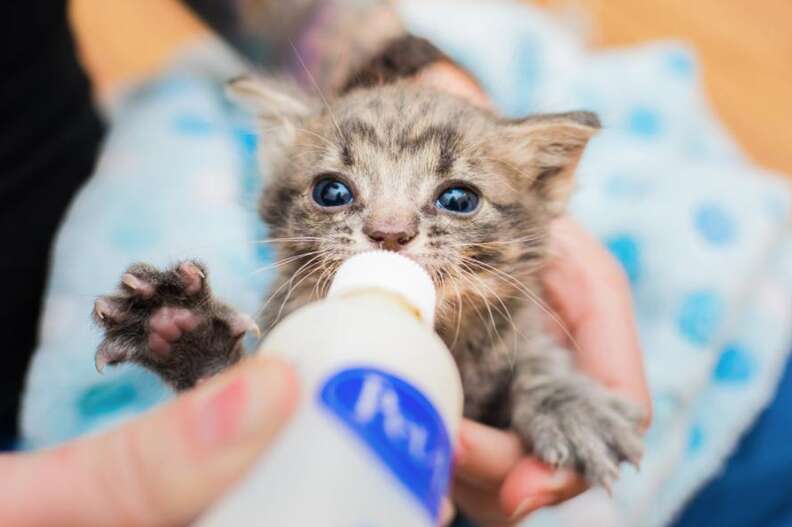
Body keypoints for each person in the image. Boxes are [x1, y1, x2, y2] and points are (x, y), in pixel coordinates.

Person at [0, 1, 651, 525]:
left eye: (455, 199)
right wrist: (212, 374)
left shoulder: (510, 309)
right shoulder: (299, 304)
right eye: (335, 192)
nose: (387, 229)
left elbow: (526, 374)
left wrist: (549, 396)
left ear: (544, 192)